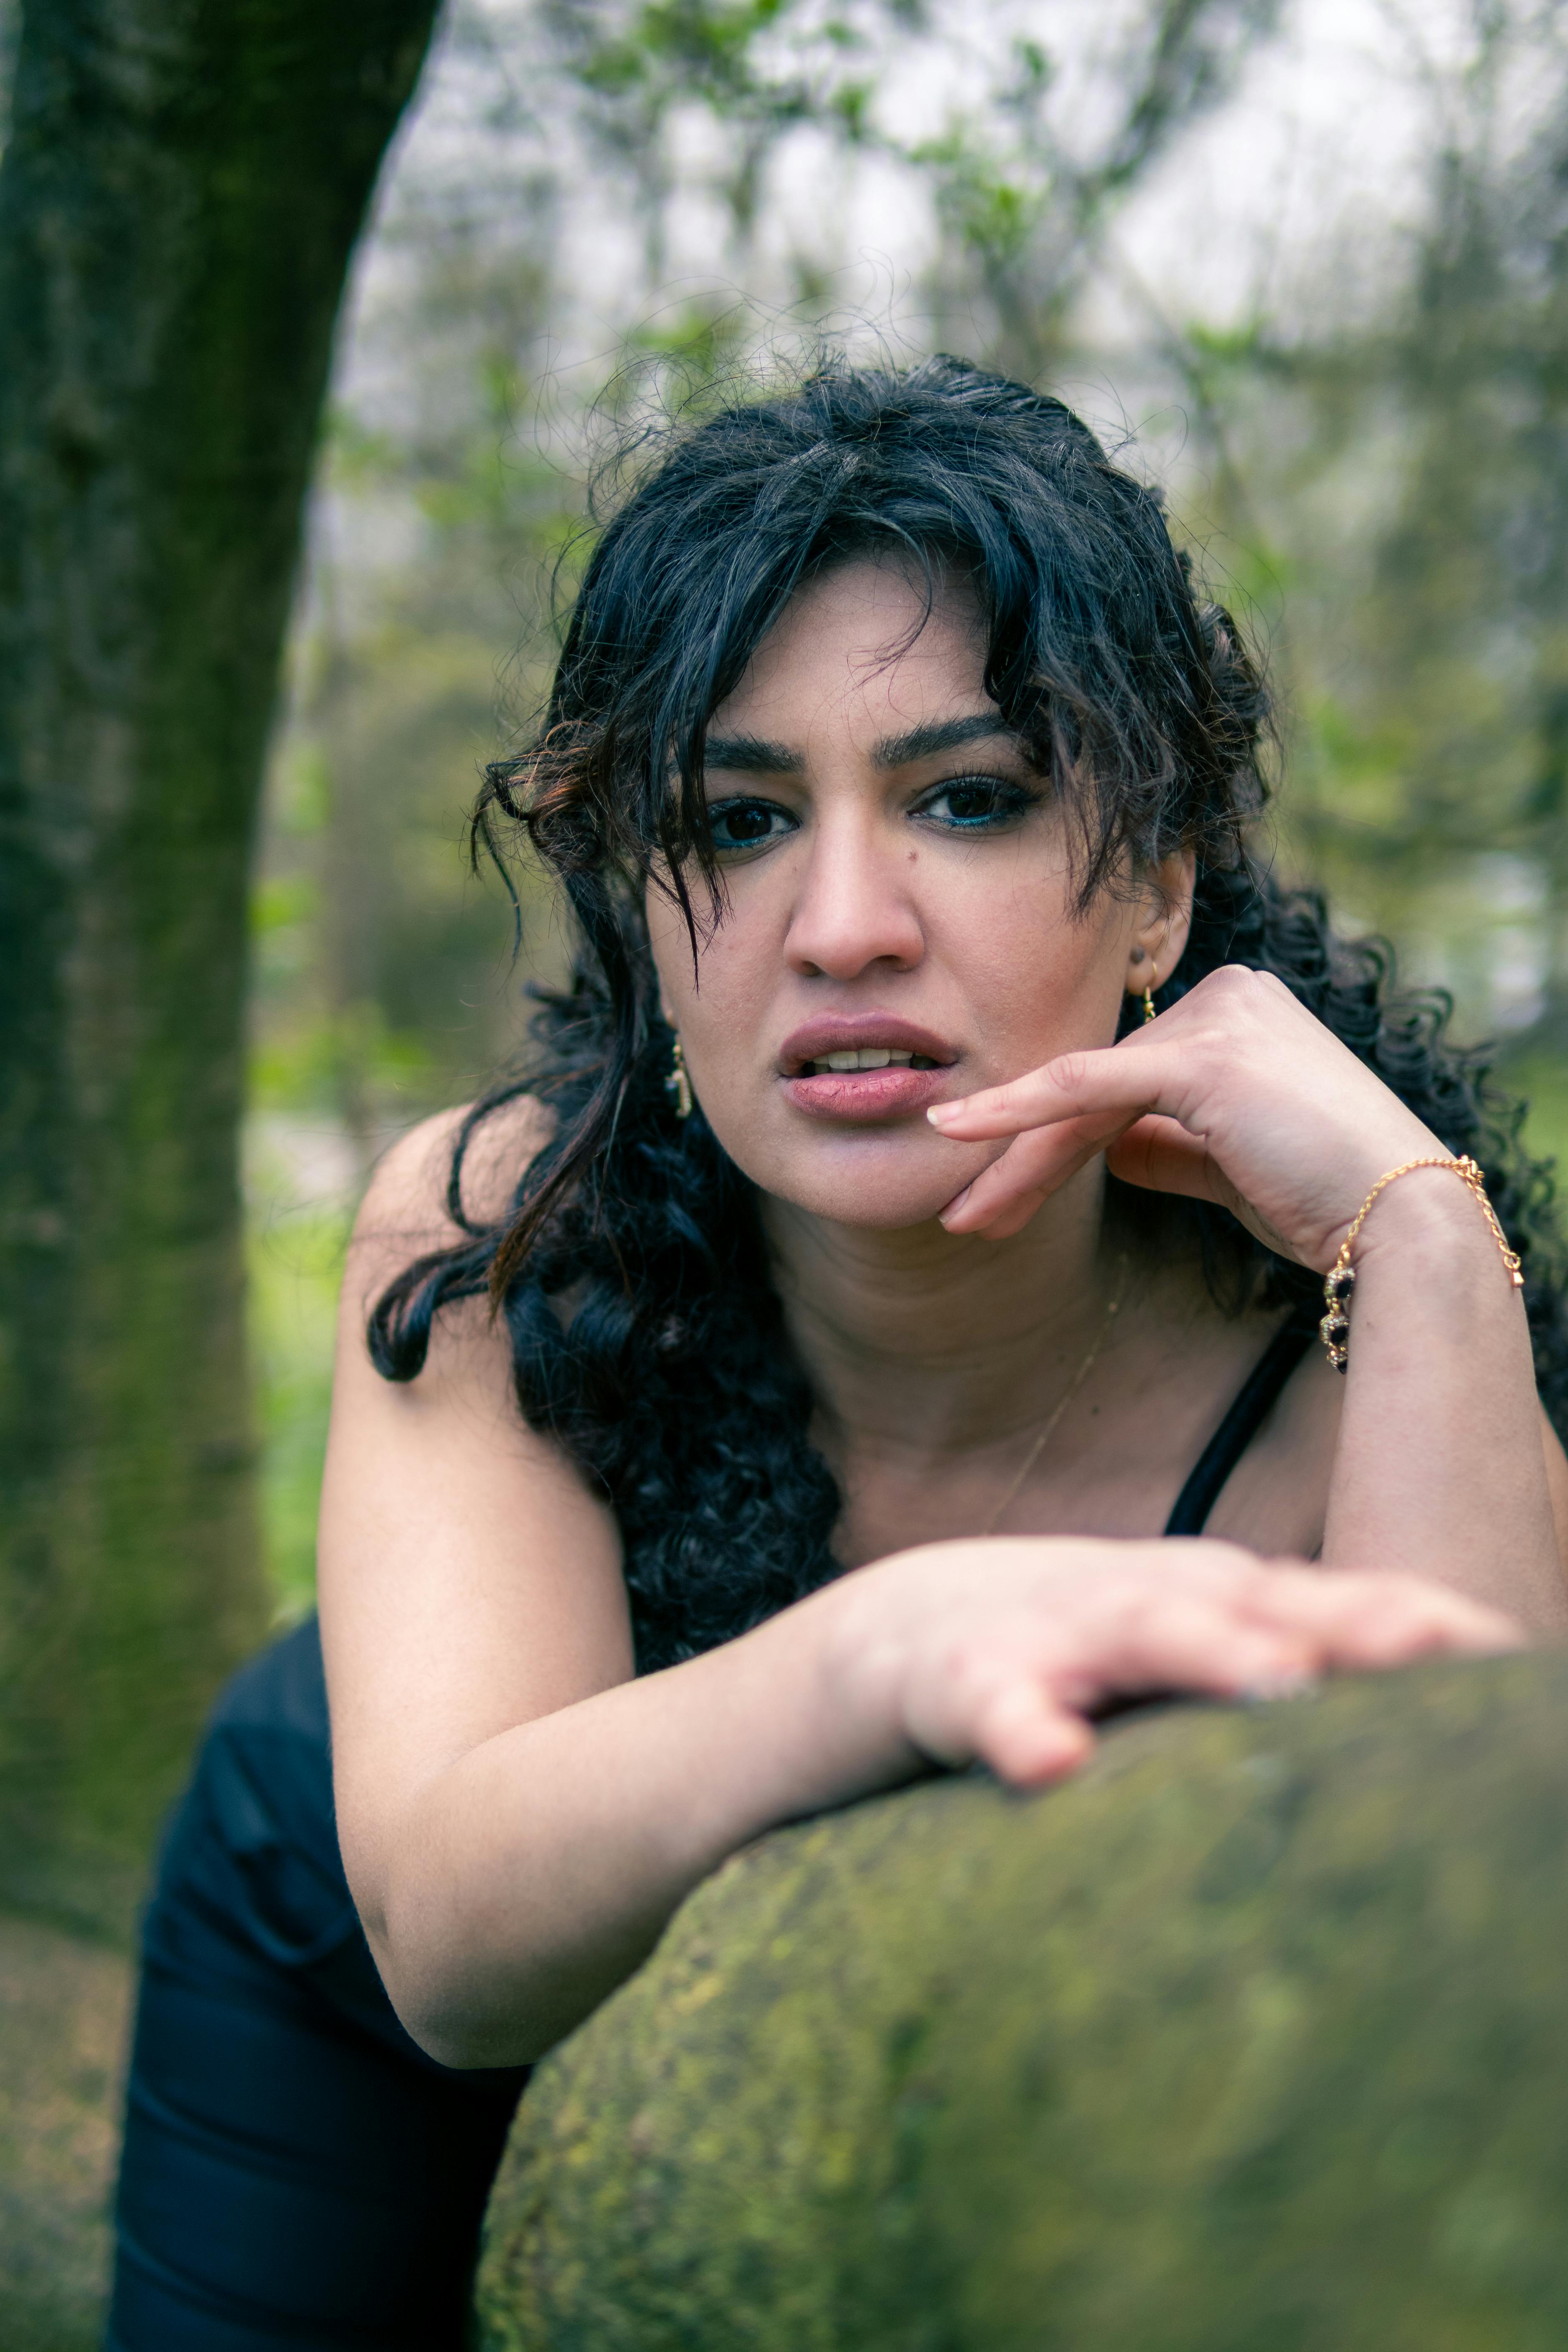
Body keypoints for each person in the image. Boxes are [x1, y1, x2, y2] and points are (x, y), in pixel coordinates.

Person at [109, 357, 1568, 2349]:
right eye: (740, 817)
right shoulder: (497, 1227)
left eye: (967, 798)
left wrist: (1424, 1231)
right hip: (347, 1966)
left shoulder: (1329, 1318)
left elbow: (1474, 1903)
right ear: (646, 903)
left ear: (1154, 879)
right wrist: (903, 1644)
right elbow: (449, 1941)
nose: (845, 923)